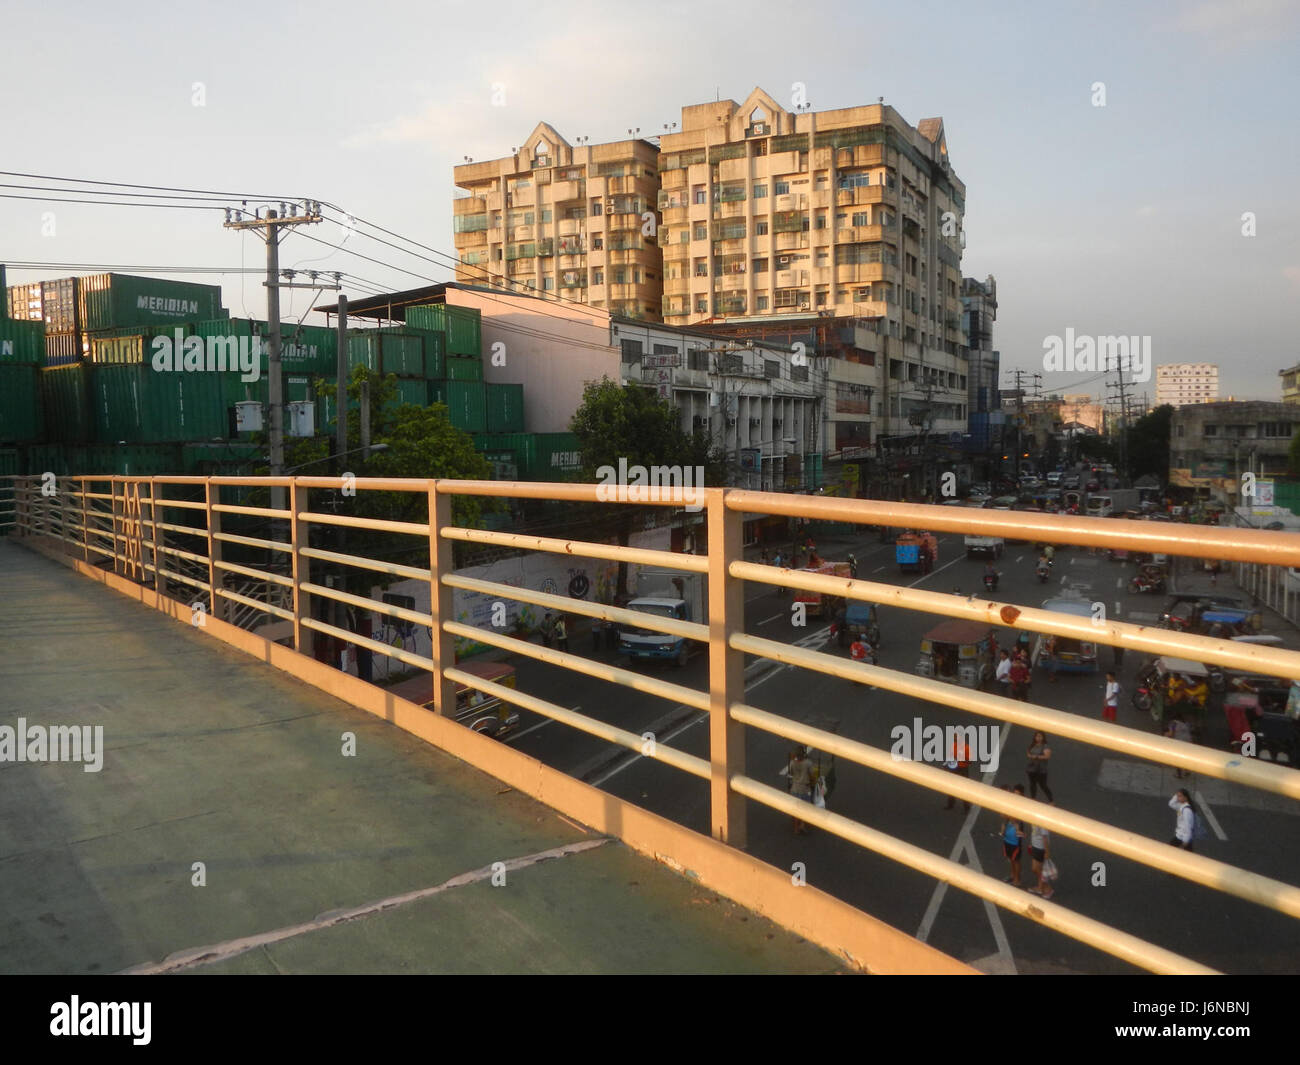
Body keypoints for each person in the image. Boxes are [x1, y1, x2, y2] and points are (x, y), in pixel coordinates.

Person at [782, 745, 816, 835]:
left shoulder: (793, 763)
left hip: (795, 788)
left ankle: (796, 828)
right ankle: (802, 825)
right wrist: (813, 782)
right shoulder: (808, 763)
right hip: (805, 789)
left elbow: (791, 773)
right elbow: (812, 776)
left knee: (796, 809)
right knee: (805, 808)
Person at [1001, 785, 1026, 886]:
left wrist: (1007, 812)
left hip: (1016, 838)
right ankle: (1013, 875)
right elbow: (1003, 816)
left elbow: (1014, 819)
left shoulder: (1021, 806)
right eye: (1014, 794)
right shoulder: (1011, 804)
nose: (1015, 796)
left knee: (1016, 859)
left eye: (1018, 794)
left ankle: (1017, 880)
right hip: (1008, 836)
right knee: (1010, 858)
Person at [1028, 806, 1054, 899]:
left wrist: (1047, 851)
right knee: (1036, 869)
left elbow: (1045, 838)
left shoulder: (1042, 822)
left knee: (1037, 869)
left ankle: (1047, 888)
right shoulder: (1034, 819)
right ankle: (1040, 887)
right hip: (1035, 846)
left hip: (1041, 848)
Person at [943, 737, 972, 812]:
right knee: (951, 786)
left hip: (963, 769)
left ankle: (966, 807)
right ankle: (951, 803)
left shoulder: (966, 748)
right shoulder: (954, 746)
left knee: (964, 788)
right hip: (955, 768)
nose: (956, 739)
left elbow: (969, 761)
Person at [1027, 732, 1053, 801]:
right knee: (1032, 784)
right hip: (1032, 768)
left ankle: (1051, 800)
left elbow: (1047, 756)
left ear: (1043, 737)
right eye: (1037, 736)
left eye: (1040, 736)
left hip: (1041, 770)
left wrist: (1036, 757)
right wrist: (1030, 756)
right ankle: (1033, 799)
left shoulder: (1045, 746)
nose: (1038, 738)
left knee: (1043, 786)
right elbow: (1028, 753)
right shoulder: (1033, 745)